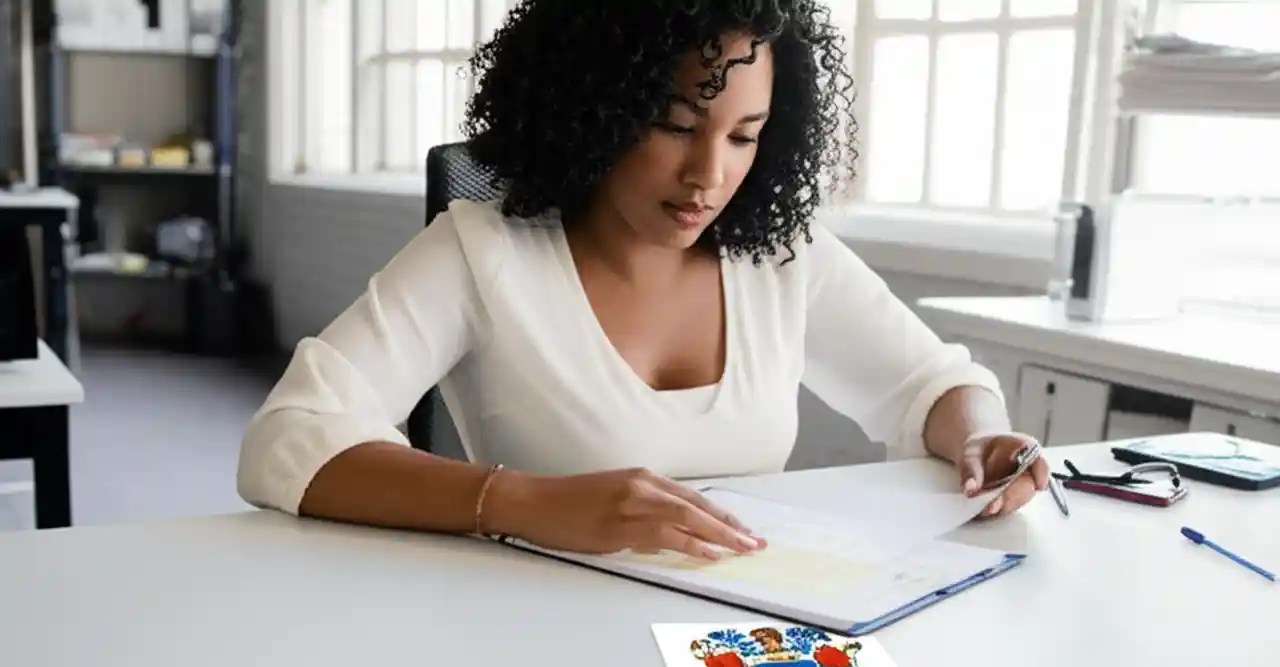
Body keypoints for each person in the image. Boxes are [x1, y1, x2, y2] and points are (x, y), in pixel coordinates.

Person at [236, 0, 1050, 562]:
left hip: (733, 638)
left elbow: (928, 383)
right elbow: (290, 437)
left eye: (744, 137)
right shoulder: (482, 253)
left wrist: (979, 435)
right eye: (674, 125)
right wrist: (530, 504)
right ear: (594, 104)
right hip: (539, 638)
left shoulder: (780, 255)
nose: (708, 175)